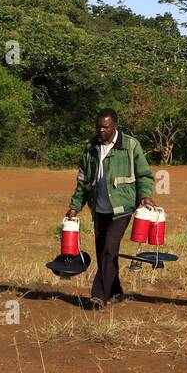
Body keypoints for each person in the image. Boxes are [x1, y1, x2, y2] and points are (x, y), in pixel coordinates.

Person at [65, 108, 155, 308]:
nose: (101, 130)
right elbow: (83, 181)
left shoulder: (131, 146)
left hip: (122, 208)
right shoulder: (91, 147)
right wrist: (74, 206)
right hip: (99, 208)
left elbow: (144, 175)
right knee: (103, 252)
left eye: (105, 127)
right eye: (98, 126)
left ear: (116, 126)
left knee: (109, 249)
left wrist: (145, 196)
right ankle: (115, 291)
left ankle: (98, 295)